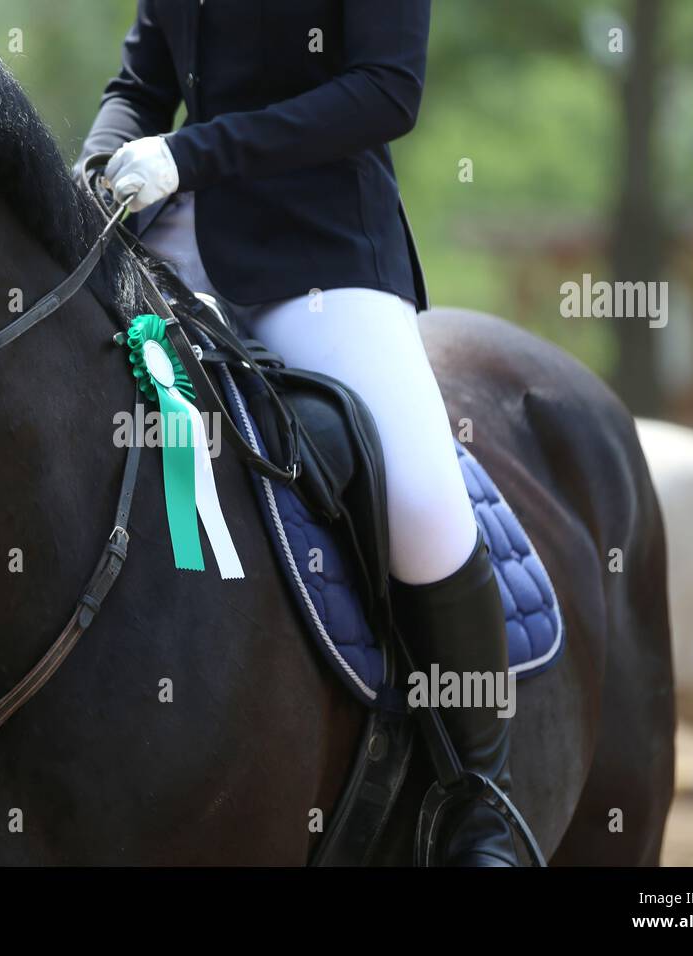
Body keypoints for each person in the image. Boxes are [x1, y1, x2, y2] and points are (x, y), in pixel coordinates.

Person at [79, 0, 518, 865]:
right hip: (162, 248)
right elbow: (140, 84)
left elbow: (386, 92)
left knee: (425, 503)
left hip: (316, 255)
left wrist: (189, 154)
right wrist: (100, 164)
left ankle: (476, 810)